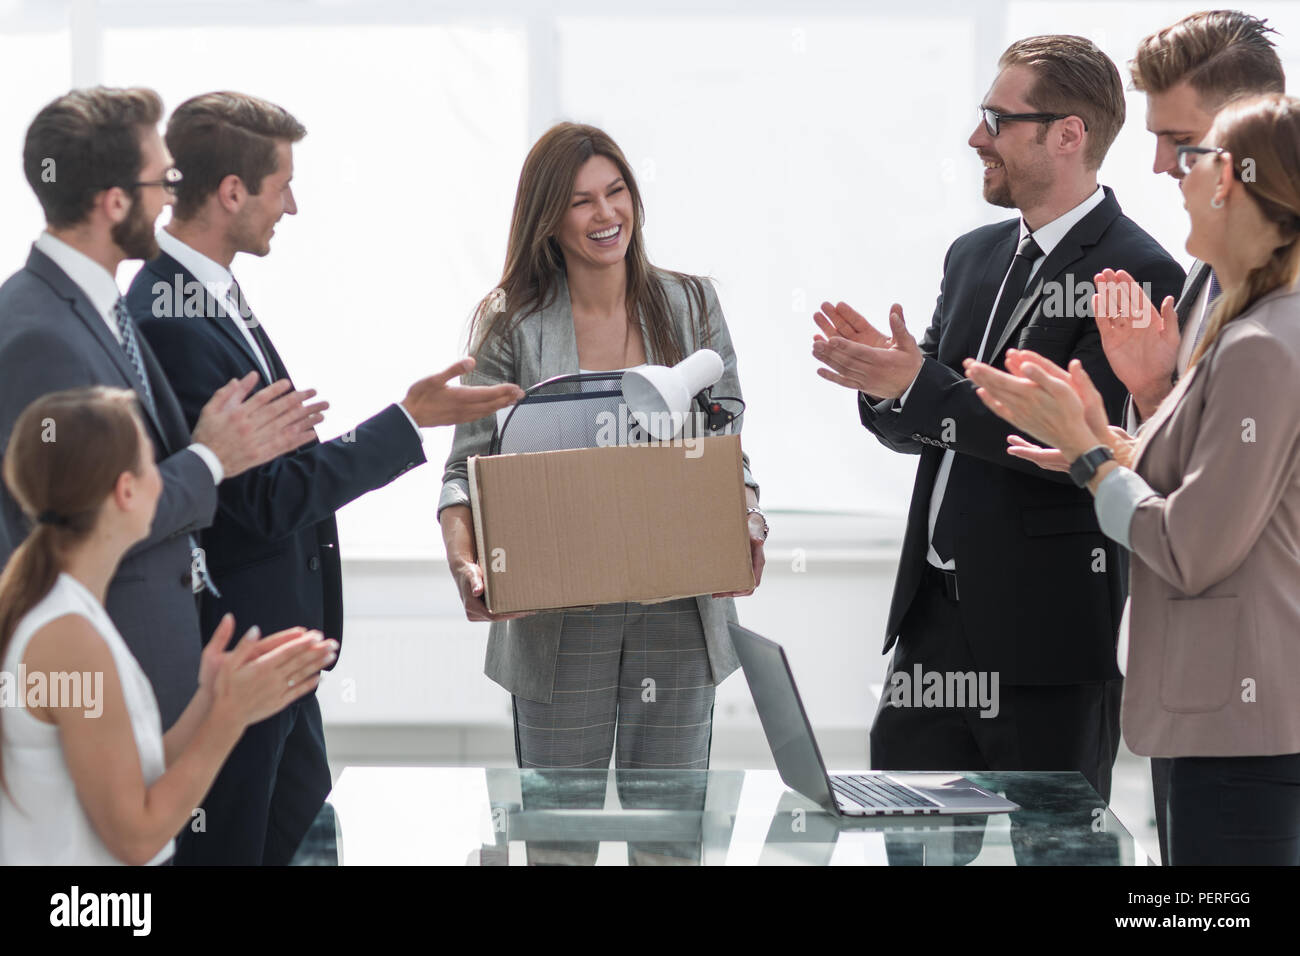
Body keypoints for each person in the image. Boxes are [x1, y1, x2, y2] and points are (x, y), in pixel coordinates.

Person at [127, 91, 524, 865]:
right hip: (237, 657)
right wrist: (407, 422)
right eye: (282, 186)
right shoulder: (166, 315)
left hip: (277, 657)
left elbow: (264, 476)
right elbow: (253, 504)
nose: (294, 206)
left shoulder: (209, 293)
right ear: (232, 192)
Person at [810, 36, 1184, 803]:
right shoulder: (971, 255)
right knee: (905, 841)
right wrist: (888, 386)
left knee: (1057, 854)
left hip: (1046, 640)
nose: (977, 136)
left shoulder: (1136, 270)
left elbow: (1065, 443)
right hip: (931, 632)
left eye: (997, 118)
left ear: (1068, 134)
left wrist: (920, 382)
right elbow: (924, 424)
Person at [965, 92, 1300, 865]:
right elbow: (1224, 484)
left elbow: (1187, 547)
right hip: (1231, 724)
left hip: (1240, 729)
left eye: (1193, 159)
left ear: (1240, 185)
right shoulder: (1247, 324)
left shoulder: (1260, 342)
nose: (1173, 178)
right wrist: (1109, 445)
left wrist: (1089, 459)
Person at [439, 122, 765, 783]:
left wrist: (750, 525)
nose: (606, 213)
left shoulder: (691, 303)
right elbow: (465, 469)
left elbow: (727, 443)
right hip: (556, 618)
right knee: (560, 839)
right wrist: (467, 564)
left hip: (676, 609)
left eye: (616, 191)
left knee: (671, 840)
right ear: (548, 218)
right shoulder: (510, 322)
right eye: (581, 200)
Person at [0, 87, 323, 730]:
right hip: (99, 684)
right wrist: (210, 458)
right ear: (114, 202)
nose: (174, 195)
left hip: (152, 666)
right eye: (163, 179)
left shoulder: (100, 306)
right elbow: (83, 524)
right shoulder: (39, 332)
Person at [0, 387, 336, 865]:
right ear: (127, 491)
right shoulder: (67, 636)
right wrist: (230, 717)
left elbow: (133, 770)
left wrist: (210, 698)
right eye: (152, 462)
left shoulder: (67, 612)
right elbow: (136, 839)